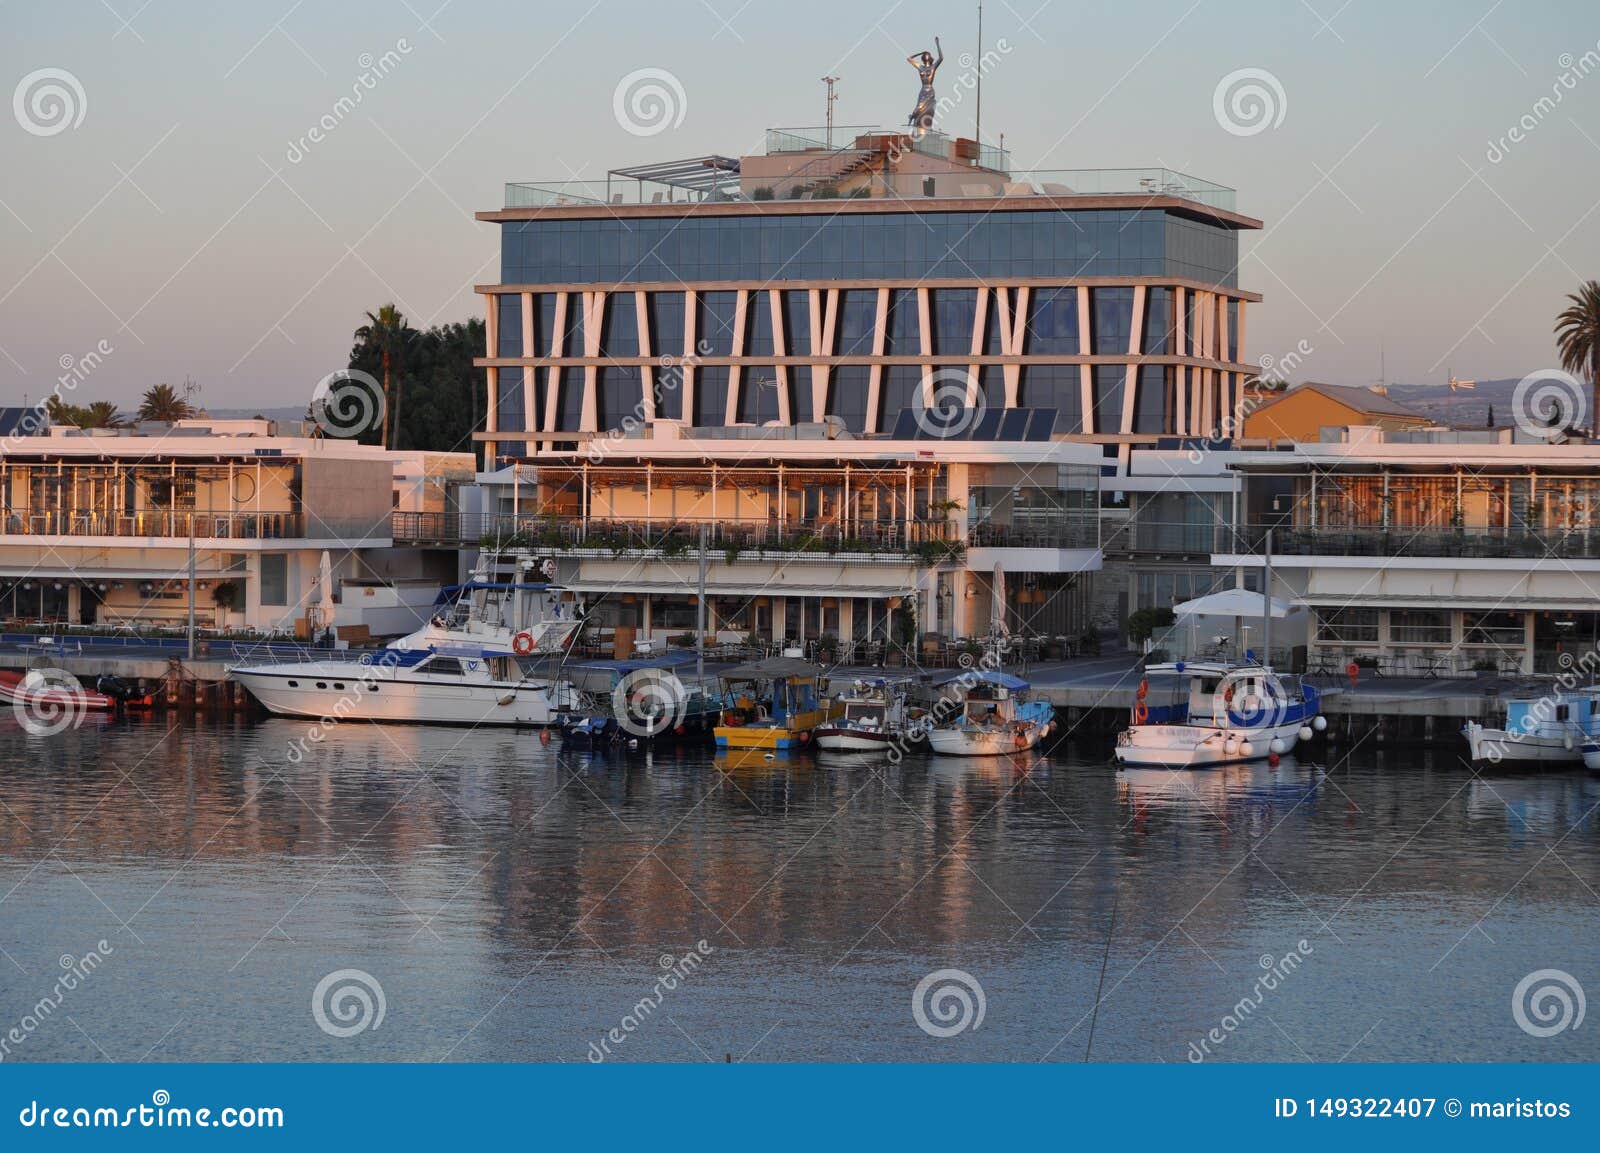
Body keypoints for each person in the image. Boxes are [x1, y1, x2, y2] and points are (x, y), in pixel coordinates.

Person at [906, 37, 943, 135]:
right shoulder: (920, 67)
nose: (926, 55)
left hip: (930, 90)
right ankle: (913, 117)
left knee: (926, 108)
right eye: (925, 54)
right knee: (919, 106)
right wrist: (920, 52)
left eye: (927, 54)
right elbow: (909, 59)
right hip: (923, 90)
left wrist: (937, 44)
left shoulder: (933, 67)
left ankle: (914, 118)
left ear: (930, 57)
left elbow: (941, 58)